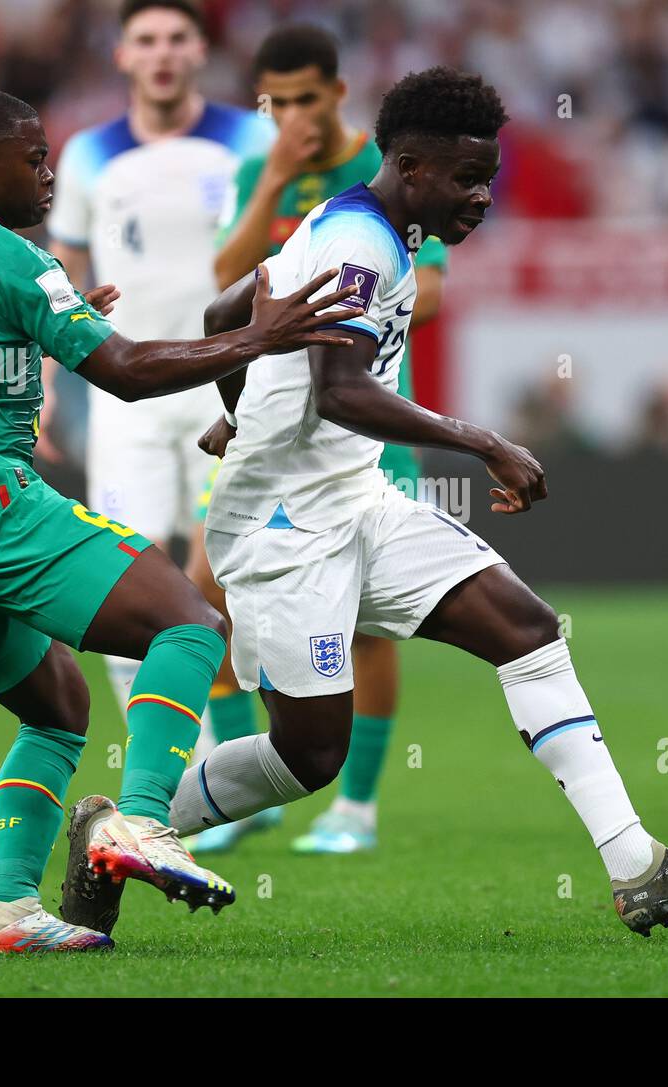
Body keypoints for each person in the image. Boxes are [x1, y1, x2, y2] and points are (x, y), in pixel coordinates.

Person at [67, 68, 668, 940]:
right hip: (285, 528)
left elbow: (224, 309)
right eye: (467, 178)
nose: (482, 196)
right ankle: (113, 827)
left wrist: (239, 412)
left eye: (489, 176)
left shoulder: (359, 228)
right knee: (310, 754)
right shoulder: (362, 243)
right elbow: (340, 390)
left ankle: (639, 868)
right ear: (408, 163)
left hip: (355, 498)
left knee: (526, 627)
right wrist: (482, 440)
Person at [0, 88, 358, 953]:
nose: (49, 173)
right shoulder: (12, 252)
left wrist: (16, 332)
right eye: (34, 157)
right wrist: (256, 339)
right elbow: (123, 371)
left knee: (56, 709)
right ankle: (140, 819)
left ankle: (11, 911)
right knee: (191, 623)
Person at [186, 23, 449, 856]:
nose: (293, 113)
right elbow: (224, 281)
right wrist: (271, 180)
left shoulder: (392, 173)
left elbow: (431, 291)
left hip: (360, 421)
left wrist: (338, 308)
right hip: (272, 423)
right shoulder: (257, 174)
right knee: (206, 590)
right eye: (277, 102)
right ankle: (251, 792)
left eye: (307, 97)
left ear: (337, 95)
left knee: (368, 623)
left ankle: (356, 807)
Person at [41, 0, 273, 725]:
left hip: (227, 388)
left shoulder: (253, 140)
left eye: (177, 38)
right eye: (146, 40)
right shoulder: (86, 154)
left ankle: (230, 768)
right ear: (122, 55)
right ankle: (180, 783)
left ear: (201, 50)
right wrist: (45, 383)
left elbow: (283, 259)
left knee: (230, 578)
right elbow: (63, 274)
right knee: (121, 583)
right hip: (125, 394)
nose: (162, 53)